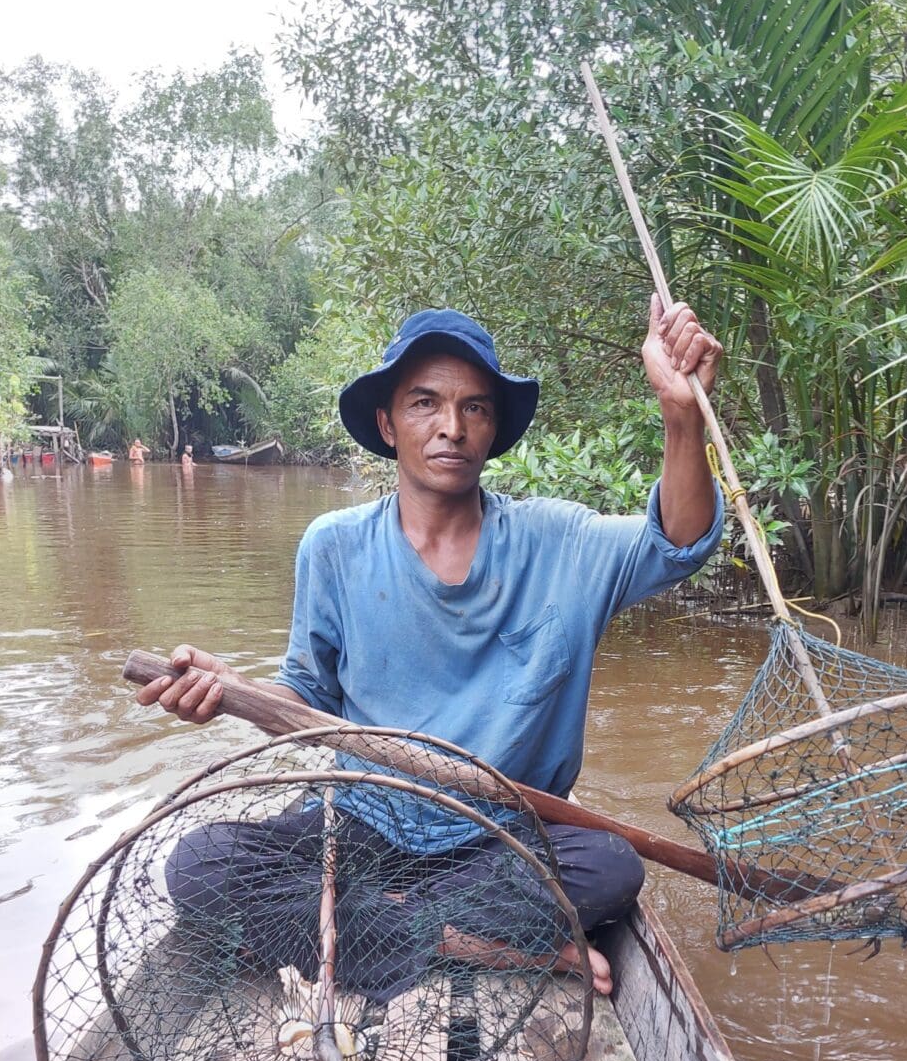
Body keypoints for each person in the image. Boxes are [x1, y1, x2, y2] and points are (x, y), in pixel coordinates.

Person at [137, 300, 724, 998]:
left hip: (497, 838)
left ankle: (376, 933)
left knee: (609, 866)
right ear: (388, 424)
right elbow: (306, 701)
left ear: (494, 427)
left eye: (475, 408)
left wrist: (680, 411)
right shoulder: (335, 546)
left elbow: (678, 543)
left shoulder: (558, 541)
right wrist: (230, 688)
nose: (452, 427)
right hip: (364, 821)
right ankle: (481, 945)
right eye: (425, 404)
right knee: (200, 864)